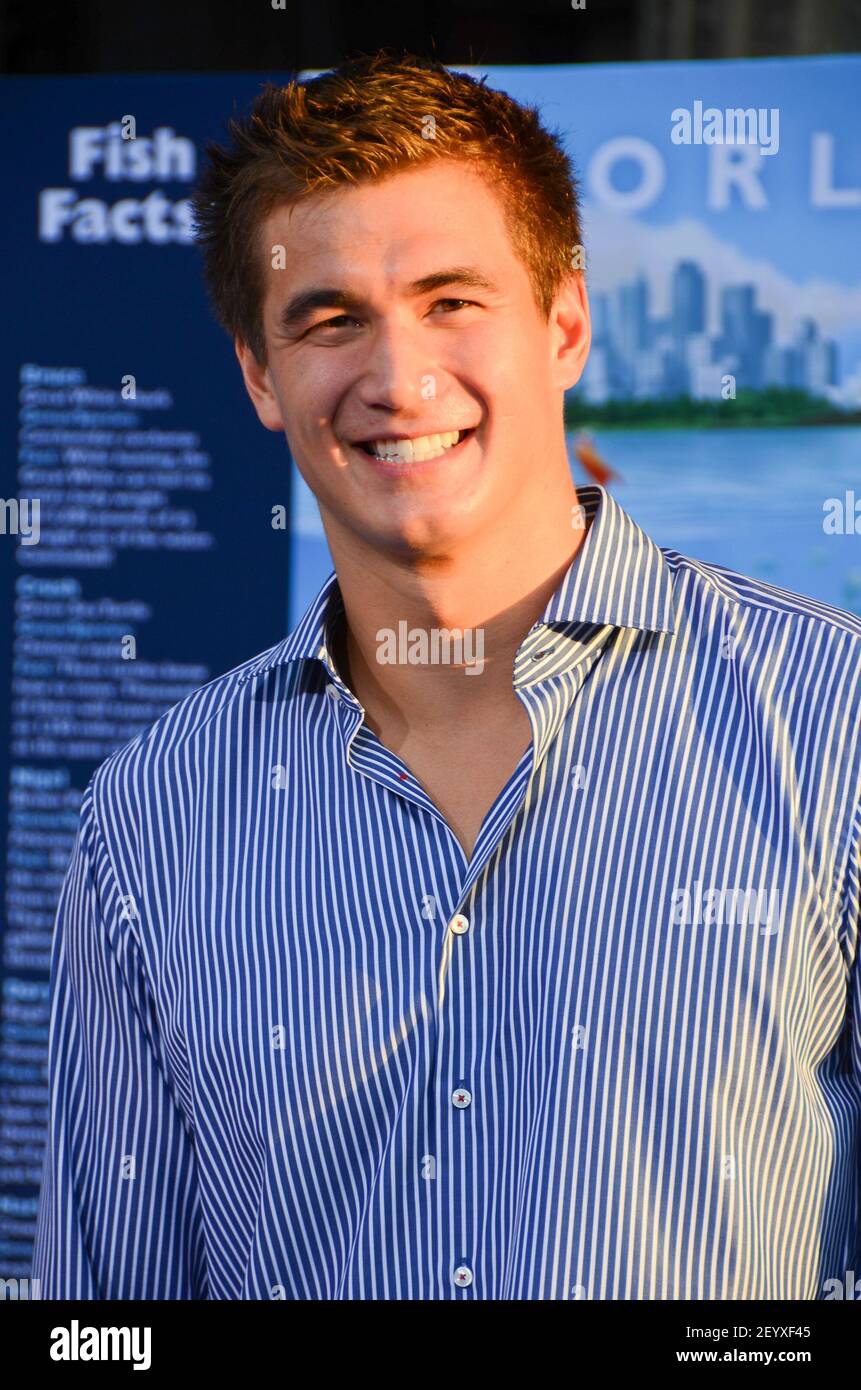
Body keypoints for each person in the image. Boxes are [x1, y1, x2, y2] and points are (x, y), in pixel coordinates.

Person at [32, 50, 861, 1300]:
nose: (398, 377)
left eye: (451, 300)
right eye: (329, 319)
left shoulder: (832, 719)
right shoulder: (154, 816)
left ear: (565, 322)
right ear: (260, 374)